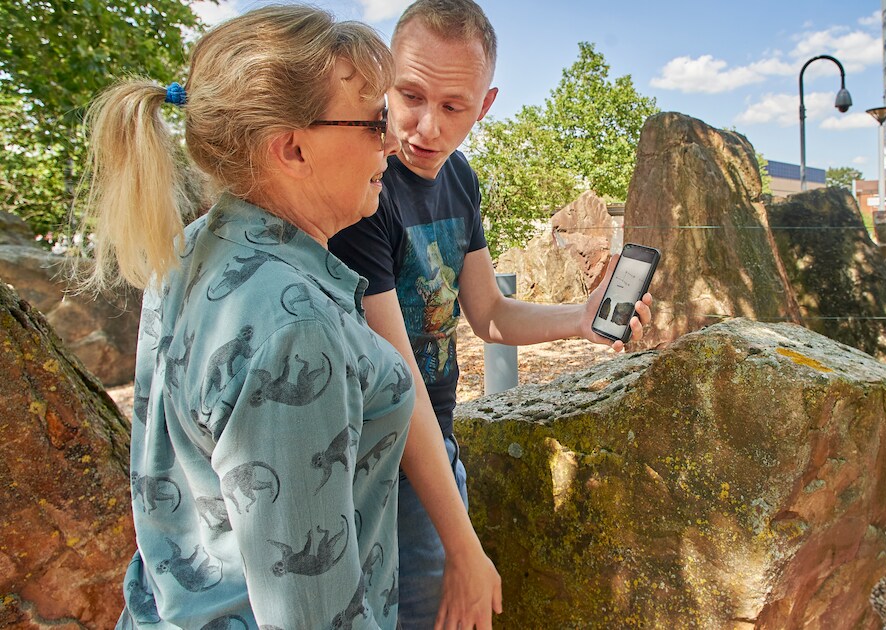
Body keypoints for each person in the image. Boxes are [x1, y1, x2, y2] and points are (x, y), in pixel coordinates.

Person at [79, 5, 498, 628]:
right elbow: (309, 611)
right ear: (292, 148)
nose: (391, 139)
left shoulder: (189, 249)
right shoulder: (294, 329)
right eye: (373, 120)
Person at [328, 1, 653, 627]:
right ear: (385, 80)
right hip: (372, 458)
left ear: (487, 102)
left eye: (454, 107)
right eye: (410, 95)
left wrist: (580, 318)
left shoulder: (460, 180)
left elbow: (489, 313)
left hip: (436, 444)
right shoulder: (363, 187)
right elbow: (399, 380)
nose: (426, 128)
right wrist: (463, 545)